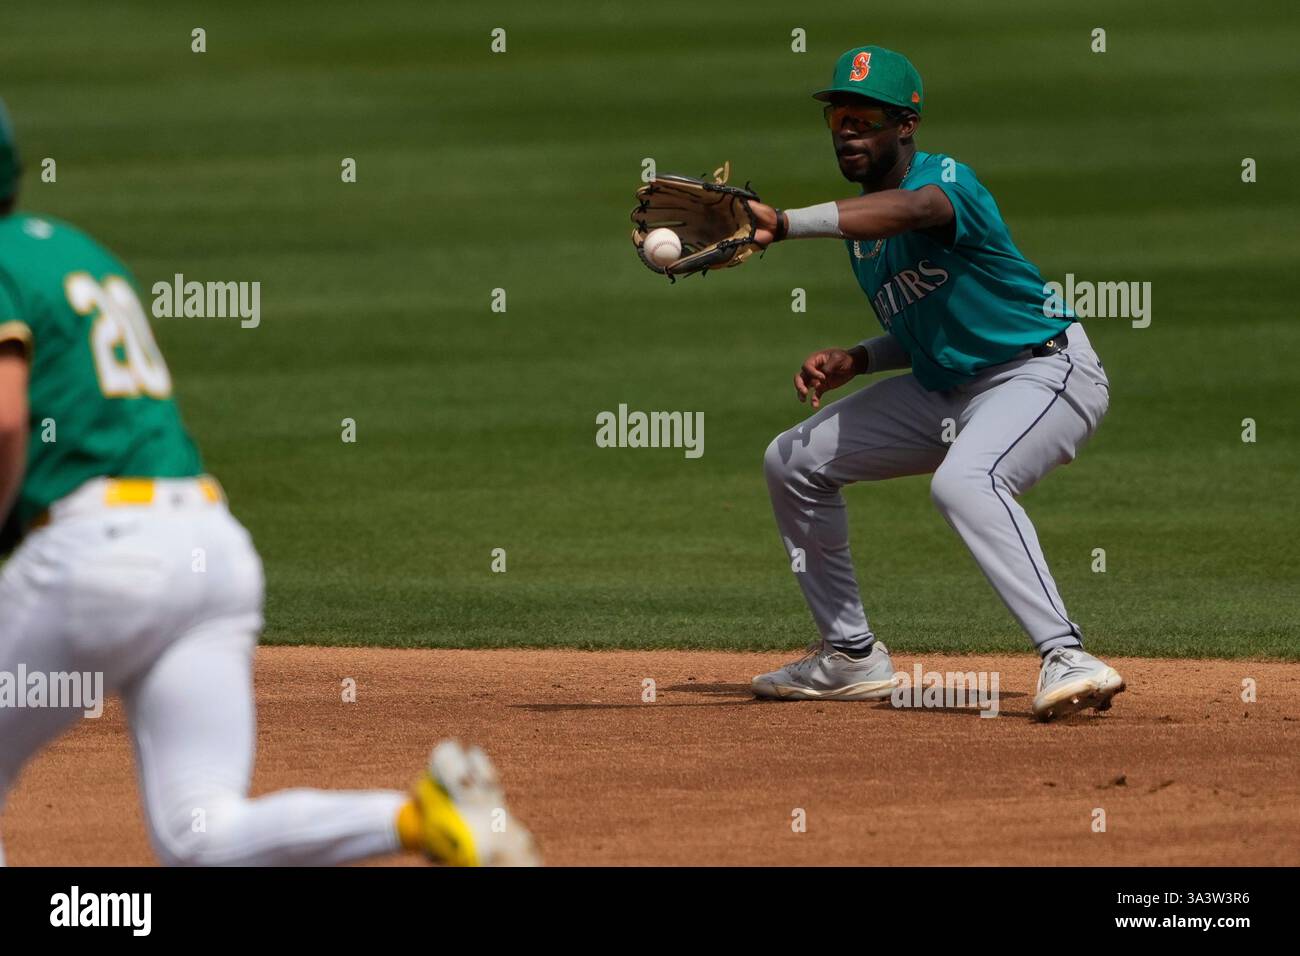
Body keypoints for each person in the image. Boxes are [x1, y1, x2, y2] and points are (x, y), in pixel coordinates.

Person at [0, 98, 538, 865]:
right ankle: (424, 820)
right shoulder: (77, 251)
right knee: (199, 834)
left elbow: (5, 416)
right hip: (210, 550)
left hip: (99, 555)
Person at [745, 47, 1124, 720]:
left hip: (1043, 370)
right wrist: (859, 357)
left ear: (907, 124)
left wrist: (785, 224)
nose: (848, 132)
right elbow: (936, 325)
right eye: (838, 119)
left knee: (965, 481)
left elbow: (917, 211)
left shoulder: (943, 181)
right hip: (948, 390)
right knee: (792, 461)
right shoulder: (863, 234)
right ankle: (850, 657)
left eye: (865, 118)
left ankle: (1068, 655)